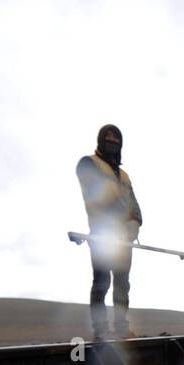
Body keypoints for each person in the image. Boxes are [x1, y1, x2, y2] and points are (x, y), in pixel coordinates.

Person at [76, 124, 143, 339]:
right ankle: (101, 331)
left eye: (116, 139)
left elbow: (133, 203)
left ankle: (122, 329)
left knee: (123, 284)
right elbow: (97, 194)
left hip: (124, 238)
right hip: (102, 233)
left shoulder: (124, 175)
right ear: (100, 139)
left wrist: (134, 223)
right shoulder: (88, 164)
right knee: (102, 282)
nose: (112, 141)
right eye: (108, 137)